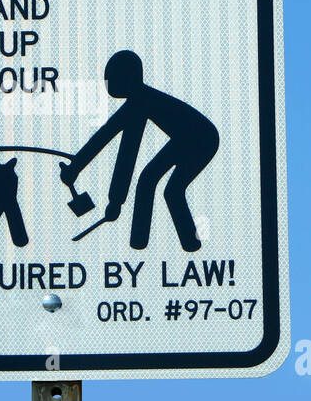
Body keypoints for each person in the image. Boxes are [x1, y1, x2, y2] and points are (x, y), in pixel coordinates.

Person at [59, 50, 219, 251]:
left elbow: (127, 153)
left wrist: (115, 201)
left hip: (202, 139)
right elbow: (105, 135)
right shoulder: (139, 100)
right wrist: (75, 168)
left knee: (164, 187)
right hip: (187, 138)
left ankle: (152, 243)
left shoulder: (140, 102)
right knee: (157, 184)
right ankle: (159, 242)